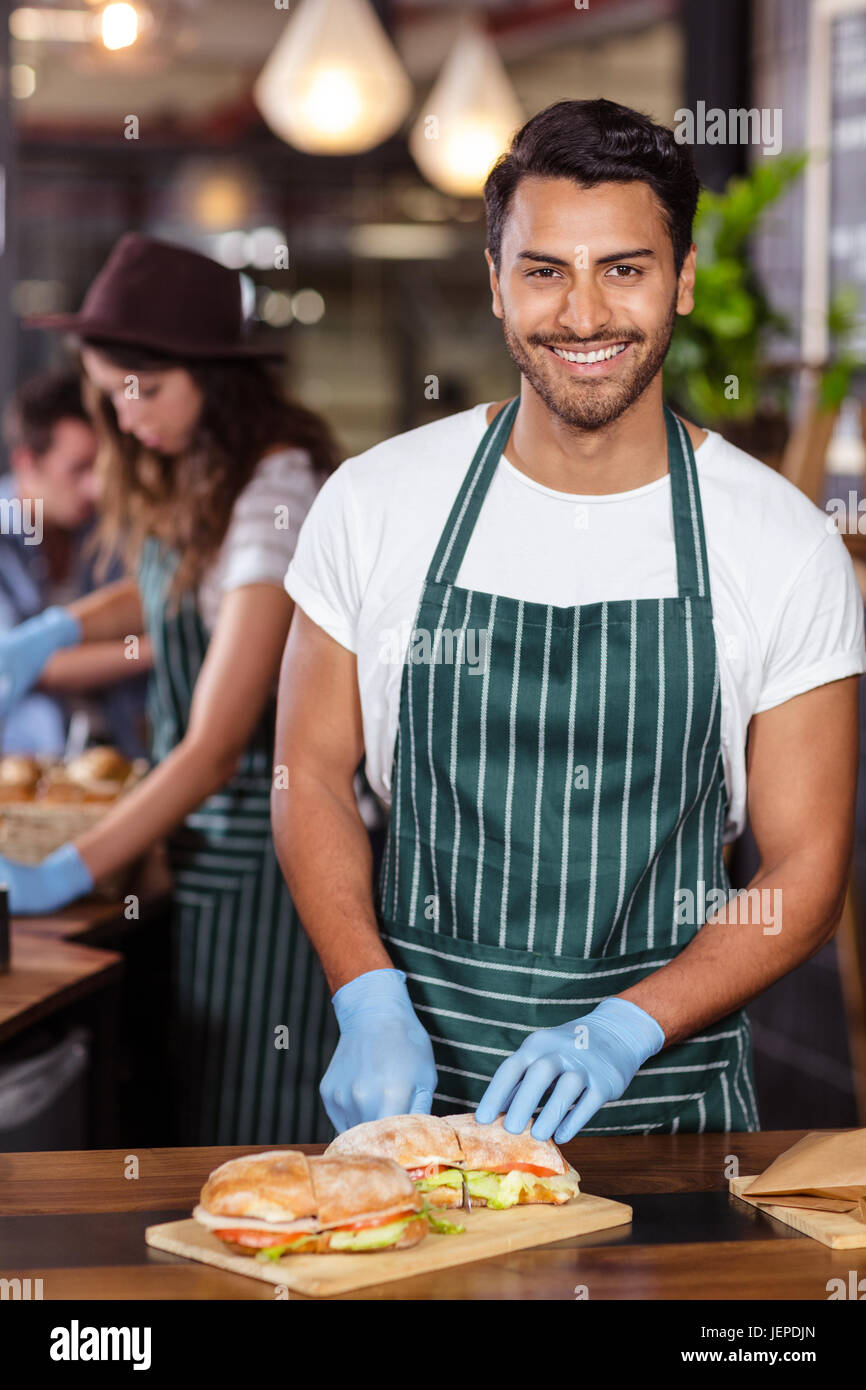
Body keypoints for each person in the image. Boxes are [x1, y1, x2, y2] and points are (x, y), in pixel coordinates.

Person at [273, 99, 866, 1140]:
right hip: (414, 1116)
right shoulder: (375, 504)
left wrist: (626, 1027)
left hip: (668, 1113)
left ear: (678, 280)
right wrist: (364, 993)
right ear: (495, 283)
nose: (581, 315)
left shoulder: (781, 542)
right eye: (543, 270)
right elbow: (308, 774)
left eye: (623, 269)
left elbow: (805, 866)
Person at [0, 233, 340, 1145]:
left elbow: (215, 742)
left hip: (270, 862)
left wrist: (65, 871)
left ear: (210, 374)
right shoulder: (203, 474)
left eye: (143, 388)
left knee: (257, 1126)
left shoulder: (277, 489)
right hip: (204, 857)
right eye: (112, 394)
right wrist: (49, 634)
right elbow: (170, 590)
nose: (128, 413)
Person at [0, 369, 148, 758]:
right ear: (27, 462)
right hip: (23, 771)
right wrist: (157, 649)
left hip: (117, 755)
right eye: (78, 468)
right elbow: (23, 664)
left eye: (100, 467)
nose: (95, 487)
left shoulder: (105, 529)